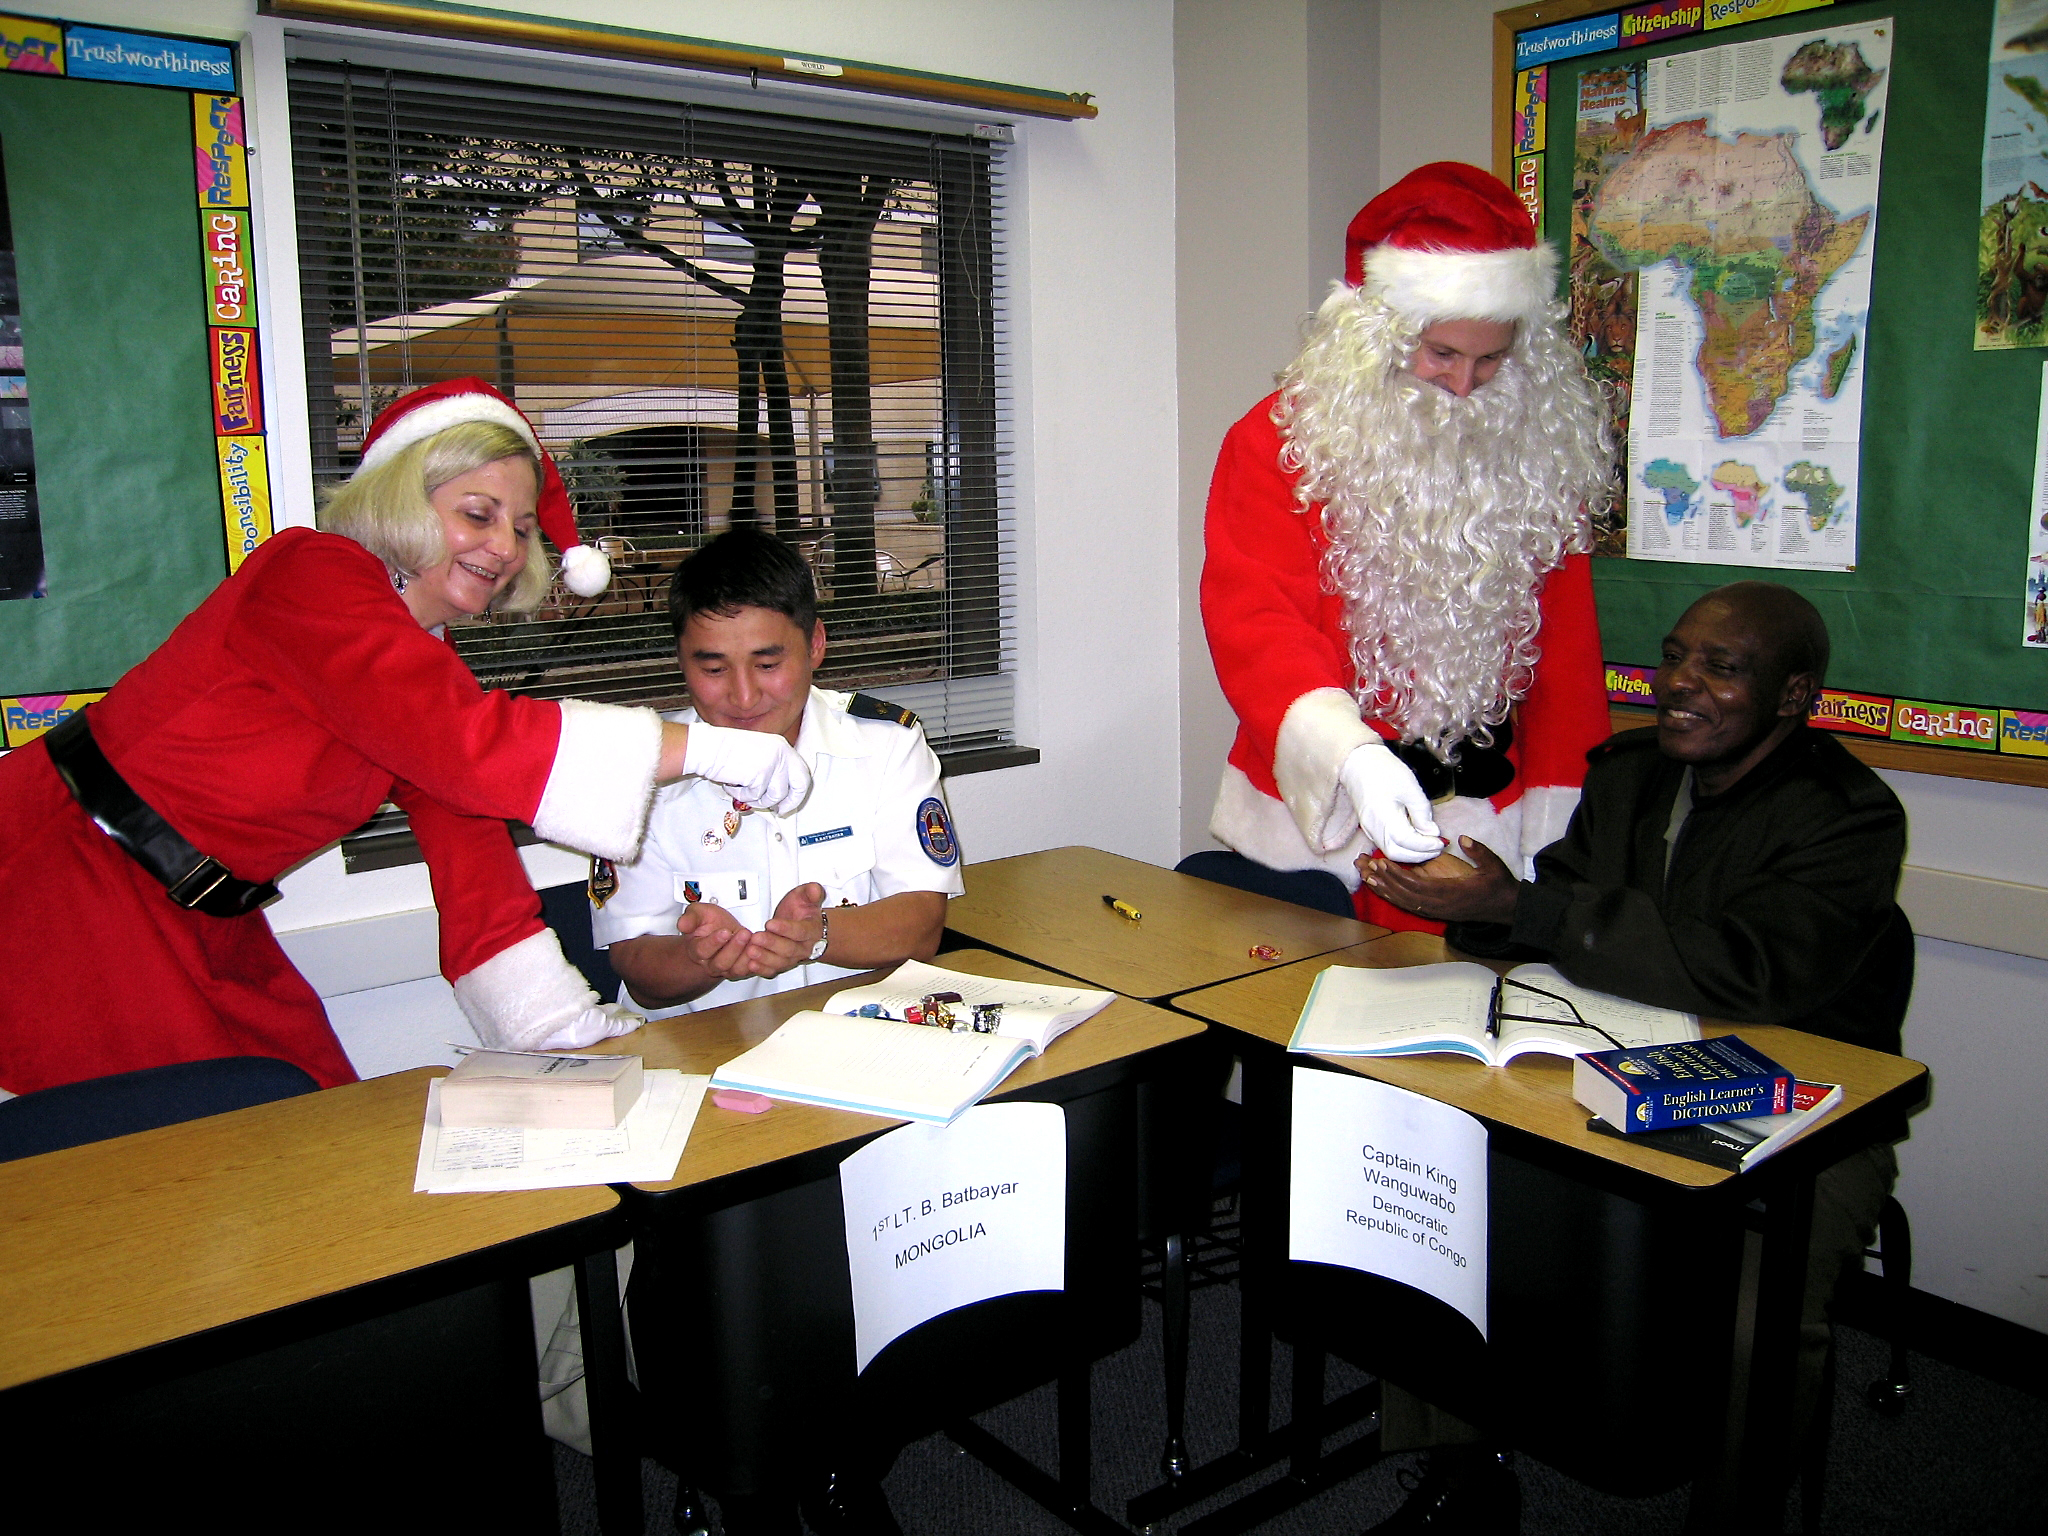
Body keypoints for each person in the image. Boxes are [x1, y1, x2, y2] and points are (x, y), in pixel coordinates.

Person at [0, 377, 809, 1097]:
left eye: (523, 528)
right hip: (62, 878)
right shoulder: (309, 574)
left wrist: (555, 1022)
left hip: (199, 912)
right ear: (399, 498)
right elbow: (471, 745)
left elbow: (470, 851)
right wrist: (705, 748)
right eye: (476, 513)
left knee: (312, 1109)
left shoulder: (420, 660)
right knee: (173, 1171)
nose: (504, 546)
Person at [1365, 580, 1910, 1530]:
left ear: (1792, 695)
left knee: (1754, 1328)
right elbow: (1559, 920)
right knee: (1435, 1206)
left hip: (1801, 1112)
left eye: (1721, 668)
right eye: (1673, 657)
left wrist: (1519, 910)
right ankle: (1460, 1466)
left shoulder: (1849, 816)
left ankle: (1734, 1516)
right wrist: (1472, 910)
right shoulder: (1627, 776)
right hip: (1612, 1073)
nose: (1680, 684)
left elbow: (1750, 972)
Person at [1193, 162, 1613, 932]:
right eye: (1441, 355)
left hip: (1489, 832)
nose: (1463, 386)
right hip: (1316, 837)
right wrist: (1349, 757)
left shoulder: (1540, 453)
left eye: (1490, 361)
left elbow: (1566, 661)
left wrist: (1563, 835)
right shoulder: (1279, 443)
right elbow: (1255, 623)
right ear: (1376, 335)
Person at [589, 526, 963, 1016]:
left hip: (854, 1040)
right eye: (714, 669)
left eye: (767, 664)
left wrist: (816, 935)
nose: (744, 697)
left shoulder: (886, 744)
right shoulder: (641, 770)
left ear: (814, 646)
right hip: (700, 1052)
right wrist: (702, 958)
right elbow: (637, 967)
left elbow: (921, 926)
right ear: (680, 661)